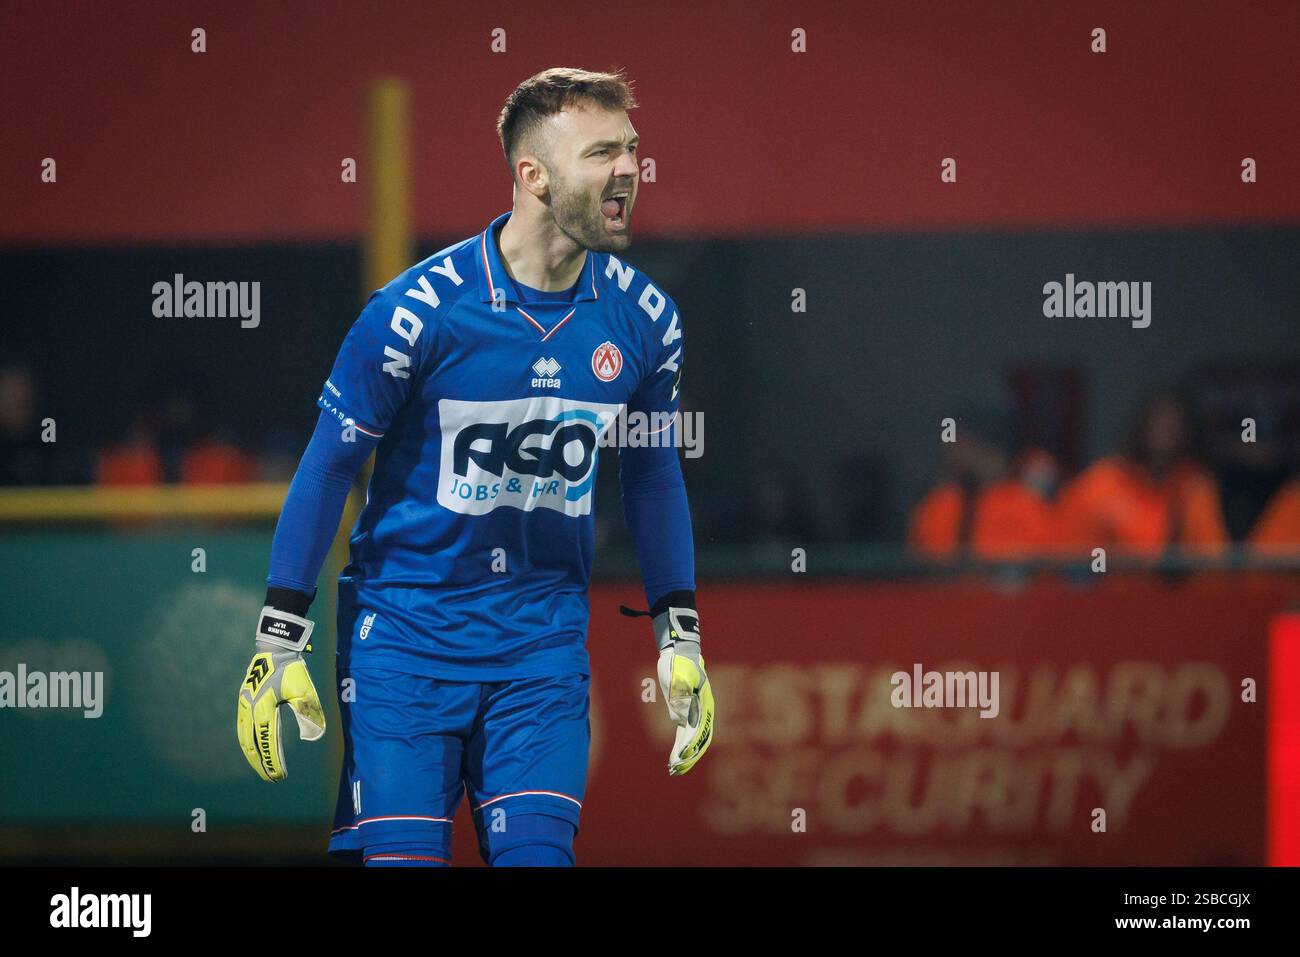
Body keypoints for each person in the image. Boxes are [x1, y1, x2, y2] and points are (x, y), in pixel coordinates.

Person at [234, 68, 713, 867]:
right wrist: (278, 637)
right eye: (602, 152)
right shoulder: (413, 313)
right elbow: (328, 466)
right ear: (534, 175)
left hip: (541, 647)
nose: (630, 168)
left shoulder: (646, 319)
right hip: (404, 646)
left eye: (632, 149)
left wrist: (681, 630)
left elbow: (654, 476)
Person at [1053, 390, 1228, 558]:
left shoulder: (1194, 486)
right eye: (1159, 423)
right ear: (1142, 426)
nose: (1166, 431)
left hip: (1171, 587)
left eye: (1174, 425)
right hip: (1113, 586)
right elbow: (1068, 556)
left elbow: (1212, 561)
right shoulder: (1104, 481)